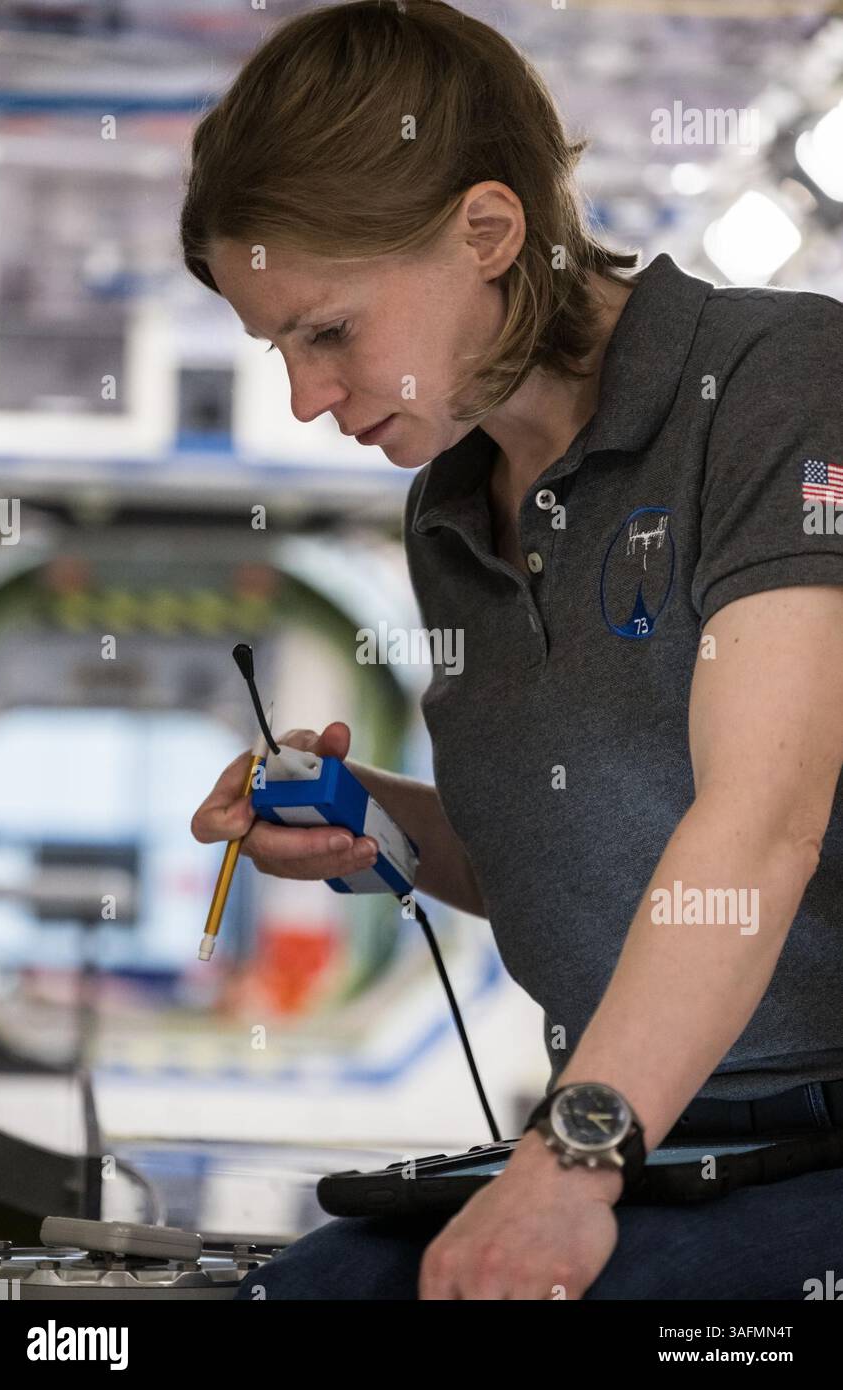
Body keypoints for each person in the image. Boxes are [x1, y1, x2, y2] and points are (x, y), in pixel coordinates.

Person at [181, 0, 843, 1298]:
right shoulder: (446, 510)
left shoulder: (780, 380)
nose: (306, 398)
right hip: (628, 1145)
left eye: (327, 332)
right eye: (277, 348)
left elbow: (759, 820)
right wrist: (368, 820)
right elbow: (532, 857)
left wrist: (570, 1157)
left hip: (794, 1148)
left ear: (486, 231)